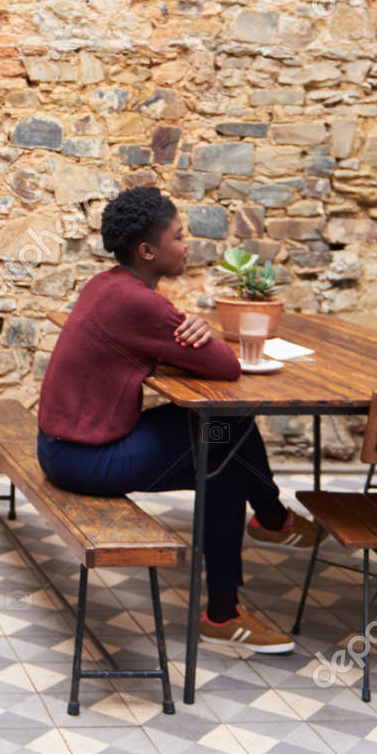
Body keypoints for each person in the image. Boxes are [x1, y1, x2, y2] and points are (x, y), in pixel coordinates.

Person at [36, 186, 318, 653]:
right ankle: (239, 583)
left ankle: (261, 541)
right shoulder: (139, 302)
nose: (187, 246)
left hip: (60, 448)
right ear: (147, 251)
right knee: (226, 443)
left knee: (223, 444)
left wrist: (188, 335)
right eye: (178, 237)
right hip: (83, 460)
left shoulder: (106, 285)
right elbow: (225, 367)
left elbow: (168, 348)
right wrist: (200, 332)